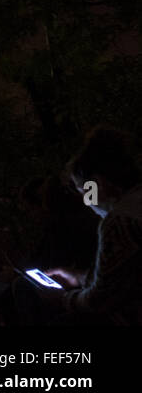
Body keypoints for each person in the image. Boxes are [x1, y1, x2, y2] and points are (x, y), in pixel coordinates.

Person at [62, 126, 142, 324]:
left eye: (85, 192)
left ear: (98, 183)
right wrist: (81, 277)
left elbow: (100, 300)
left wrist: (63, 300)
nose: (86, 201)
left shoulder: (120, 221)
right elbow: (123, 274)